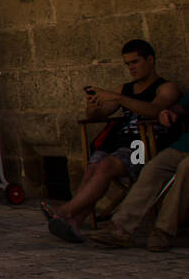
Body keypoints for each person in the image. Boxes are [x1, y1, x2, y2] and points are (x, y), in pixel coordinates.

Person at [43, 39, 178, 242]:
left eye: (135, 62)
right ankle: (74, 222)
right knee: (93, 168)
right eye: (127, 64)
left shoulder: (166, 87)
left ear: (150, 60)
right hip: (117, 142)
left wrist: (118, 98)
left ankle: (65, 211)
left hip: (144, 144)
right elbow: (96, 115)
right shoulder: (125, 88)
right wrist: (93, 104)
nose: (131, 68)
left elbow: (155, 110)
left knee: (106, 166)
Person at [90, 94, 189, 250]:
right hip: (184, 146)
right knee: (153, 167)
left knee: (186, 167)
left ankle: (163, 230)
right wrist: (169, 112)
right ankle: (121, 228)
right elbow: (181, 107)